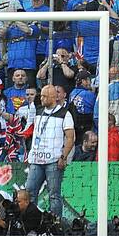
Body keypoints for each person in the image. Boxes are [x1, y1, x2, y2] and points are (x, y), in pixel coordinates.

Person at [26, 84, 74, 225]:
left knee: (54, 195)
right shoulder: (38, 112)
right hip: (36, 159)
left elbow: (71, 138)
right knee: (29, 193)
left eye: (44, 96)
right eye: (41, 96)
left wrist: (63, 157)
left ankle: (55, 224)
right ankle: (31, 223)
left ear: (53, 97)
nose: (41, 98)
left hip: (53, 160)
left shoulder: (65, 114)